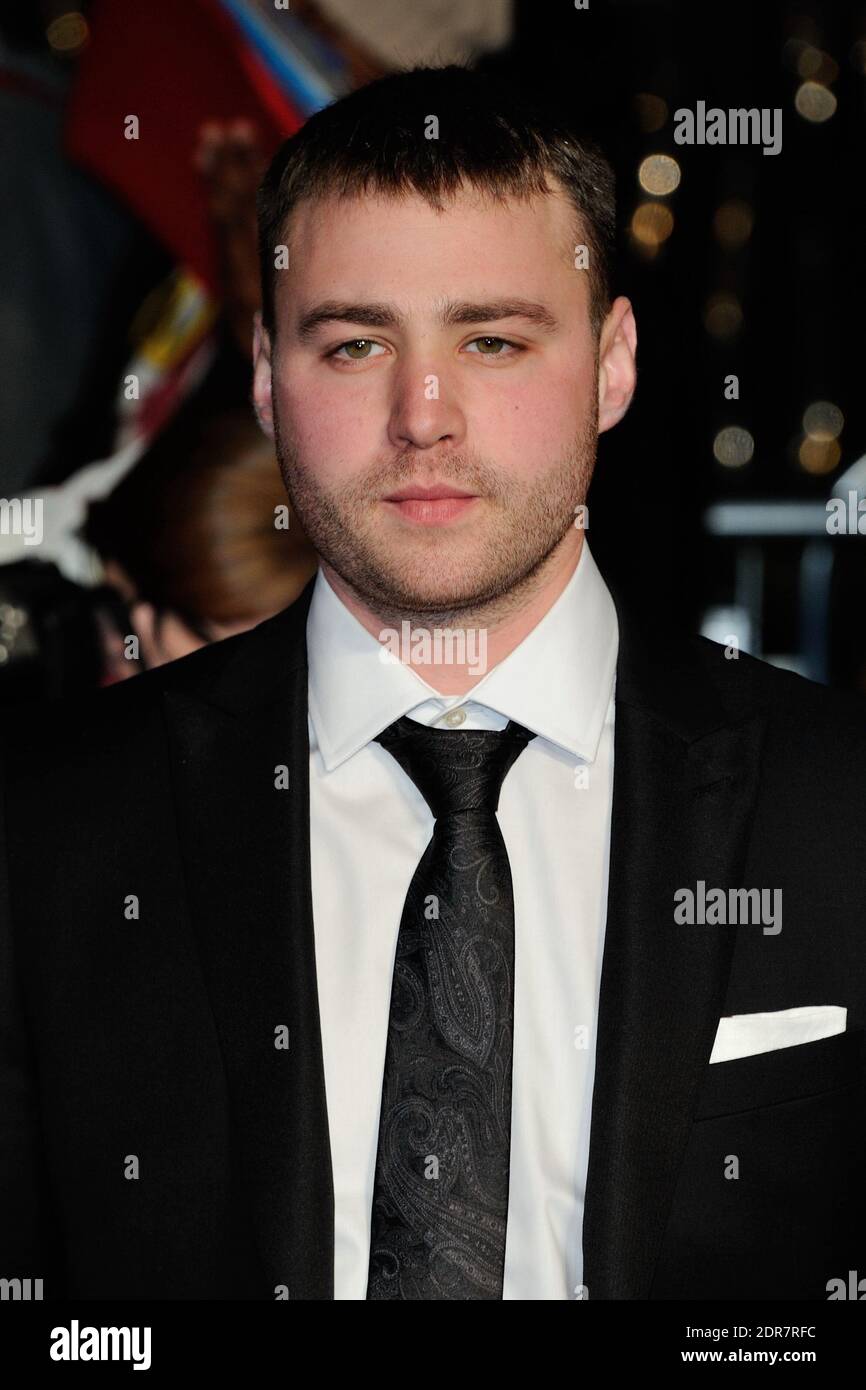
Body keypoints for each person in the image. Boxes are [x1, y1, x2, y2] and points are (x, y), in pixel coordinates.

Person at [1, 64, 864, 1303]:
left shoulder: (837, 804)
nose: (423, 414)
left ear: (612, 363)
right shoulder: (48, 829)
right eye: (355, 343)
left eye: (492, 339)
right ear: (262, 374)